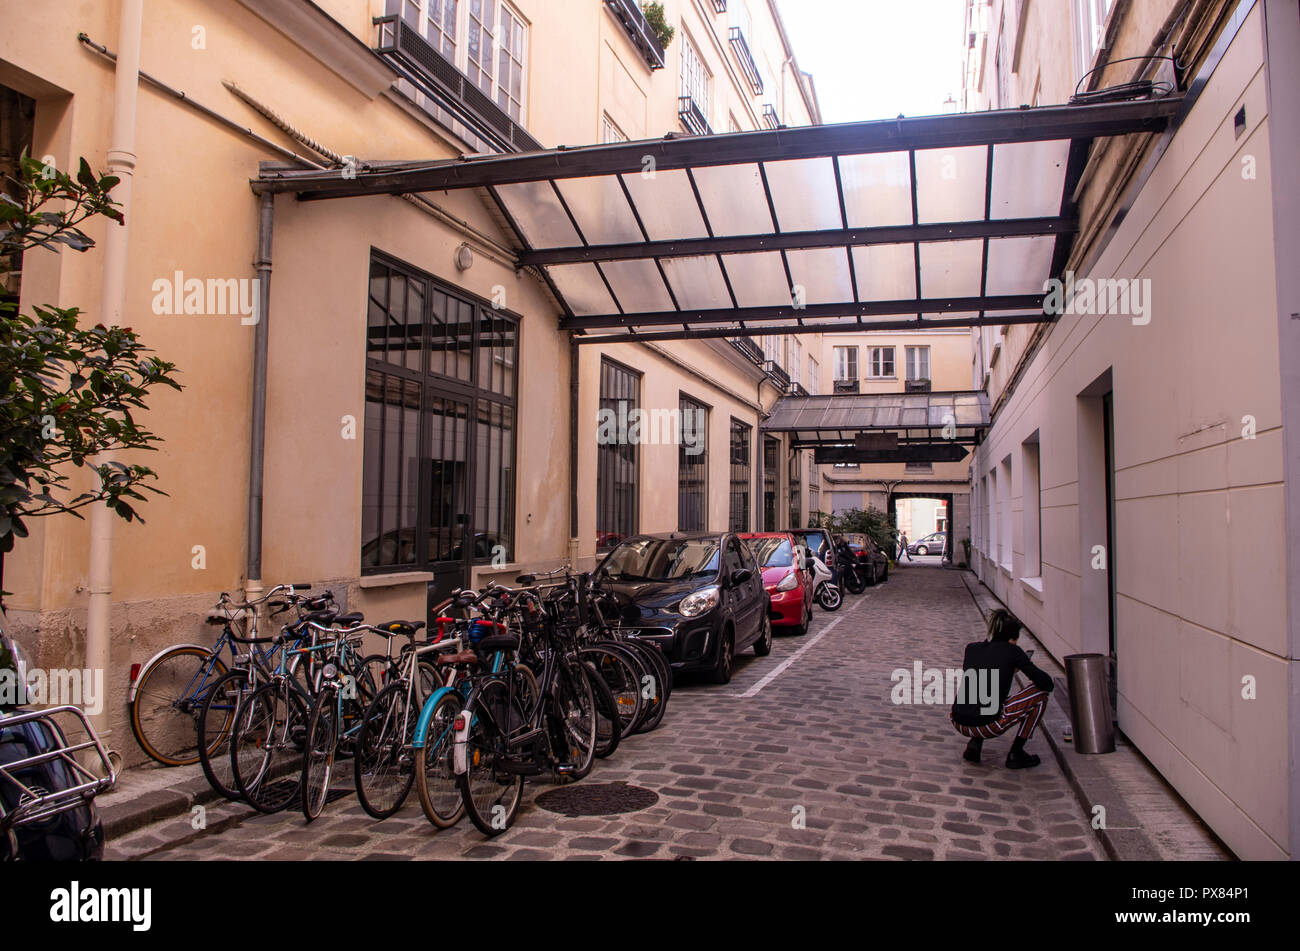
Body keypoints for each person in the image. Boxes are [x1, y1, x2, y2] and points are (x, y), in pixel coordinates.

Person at [950, 608, 1054, 769]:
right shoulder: (1013, 652)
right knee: (1041, 695)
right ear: (1013, 639)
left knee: (984, 692)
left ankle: (975, 743)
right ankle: (1017, 752)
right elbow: (1046, 683)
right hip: (988, 725)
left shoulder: (972, 648)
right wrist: (1020, 663)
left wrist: (1007, 671)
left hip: (958, 719)